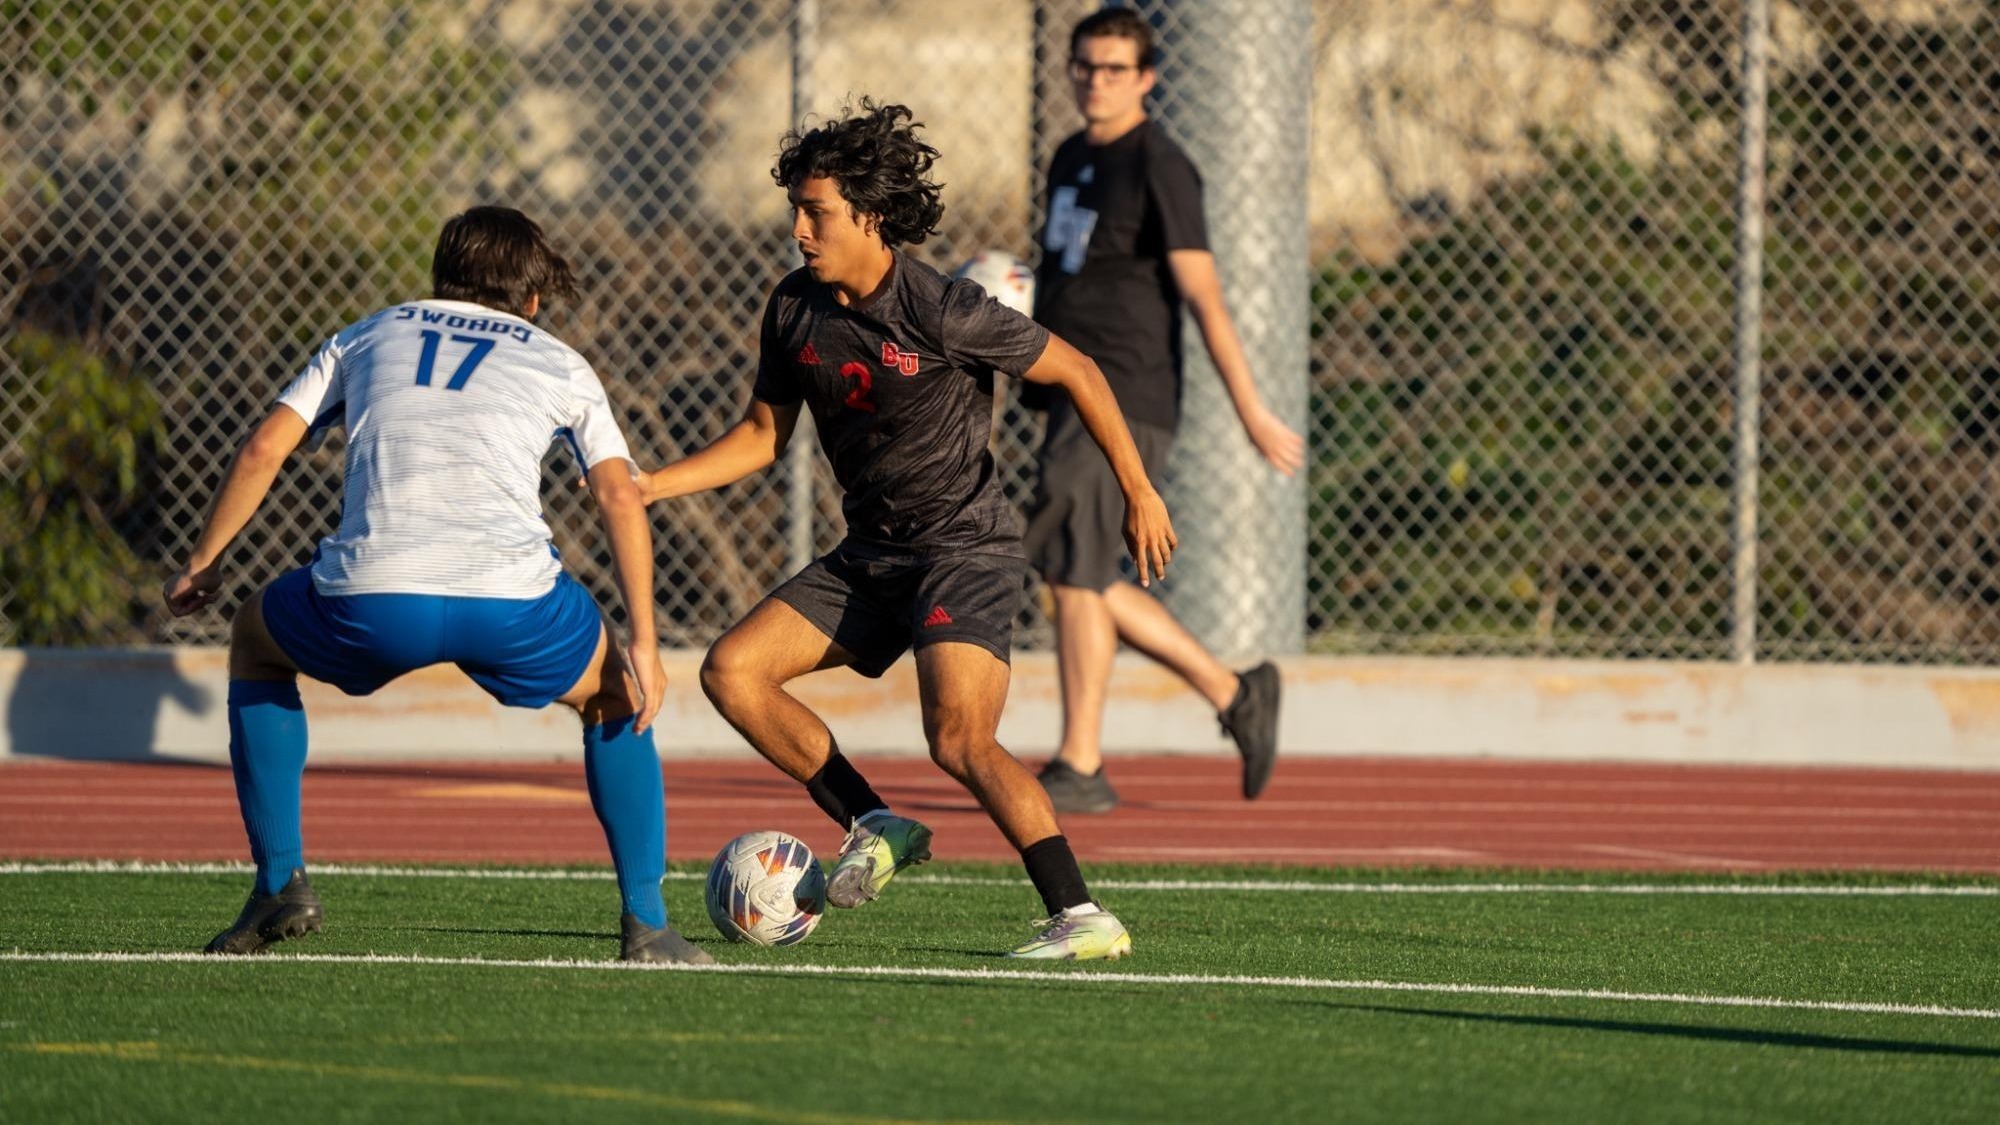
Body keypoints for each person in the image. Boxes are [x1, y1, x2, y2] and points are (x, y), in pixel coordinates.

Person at [637, 100, 1173, 961]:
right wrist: (651, 483)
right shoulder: (793, 307)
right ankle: (873, 820)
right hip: (871, 556)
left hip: (964, 550)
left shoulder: (942, 307)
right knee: (733, 672)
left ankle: (1081, 915)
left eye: (817, 213)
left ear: (870, 216)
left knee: (958, 737)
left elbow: (1076, 367)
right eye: (796, 211)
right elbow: (762, 437)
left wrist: (1138, 490)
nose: (801, 231)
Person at [162, 207, 709, 964]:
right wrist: (645, 644)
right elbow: (619, 496)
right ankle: (647, 924)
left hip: (371, 596)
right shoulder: (558, 360)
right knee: (616, 693)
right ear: (532, 299)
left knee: (257, 641)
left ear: (439, 276)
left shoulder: (364, 334)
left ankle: (281, 883)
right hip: (512, 603)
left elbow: (264, 447)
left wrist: (205, 560)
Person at [1024, 7, 1306, 815]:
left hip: (1126, 391)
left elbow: (1205, 298)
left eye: (1114, 69)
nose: (1095, 80)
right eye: (1084, 65)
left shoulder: (1161, 164)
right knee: (1071, 570)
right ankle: (1230, 690)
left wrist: (1250, 408)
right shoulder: (1070, 155)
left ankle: (1082, 758)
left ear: (1147, 78)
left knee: (1075, 569)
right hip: (1068, 389)